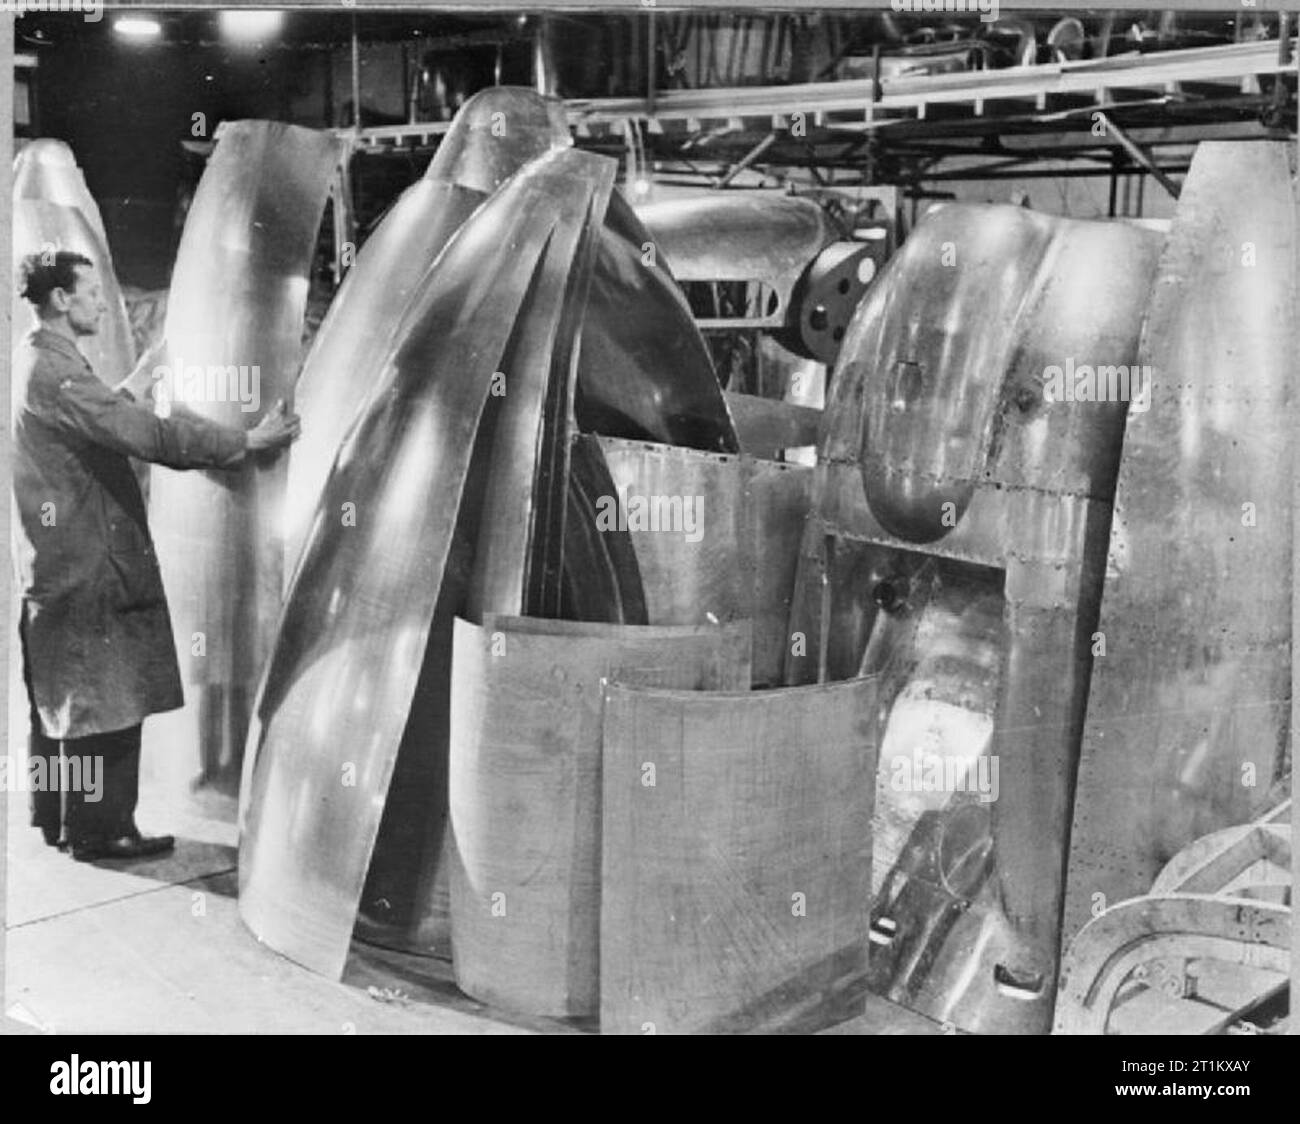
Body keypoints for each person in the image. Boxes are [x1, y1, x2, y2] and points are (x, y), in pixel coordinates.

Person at [12, 249, 300, 862]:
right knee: (107, 697)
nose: (96, 301)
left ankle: (61, 820)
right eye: (88, 292)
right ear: (61, 299)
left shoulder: (34, 358)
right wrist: (245, 441)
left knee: (65, 699)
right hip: (89, 564)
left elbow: (92, 418)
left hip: (57, 561)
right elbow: (147, 436)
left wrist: (139, 379)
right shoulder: (55, 371)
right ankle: (103, 831)